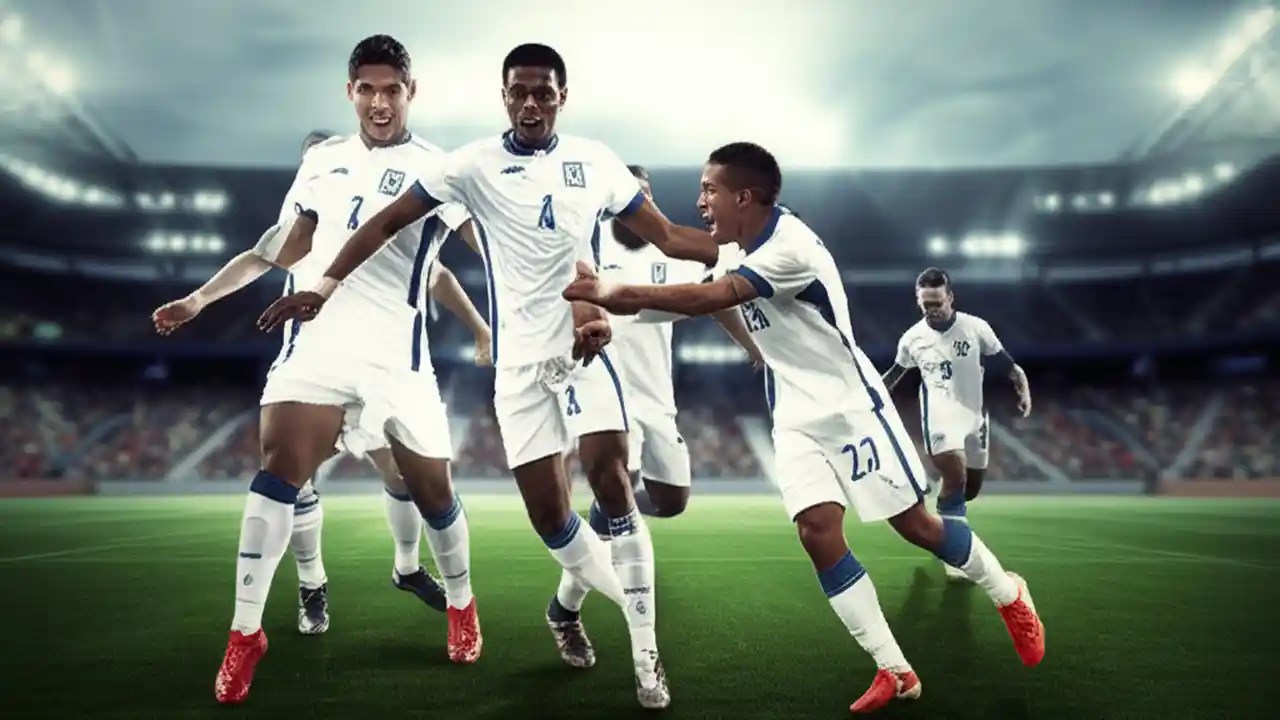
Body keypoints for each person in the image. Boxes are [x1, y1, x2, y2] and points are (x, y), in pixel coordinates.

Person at [257, 42, 723, 711]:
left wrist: (756, 242)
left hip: (585, 348)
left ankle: (646, 652)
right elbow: (388, 222)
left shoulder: (594, 161)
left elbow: (674, 238)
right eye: (519, 92)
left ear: (564, 95)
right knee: (552, 520)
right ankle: (575, 611)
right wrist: (325, 285)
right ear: (504, 96)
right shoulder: (470, 164)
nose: (531, 103)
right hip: (517, 370)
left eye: (545, 92)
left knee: (613, 481)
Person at [562, 141, 1046, 714]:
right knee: (817, 531)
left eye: (708, 191)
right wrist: (611, 313)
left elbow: (710, 296)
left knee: (916, 526)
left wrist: (613, 293)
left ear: (744, 196)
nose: (699, 203)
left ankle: (1008, 592)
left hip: (849, 407)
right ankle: (894, 669)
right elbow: (690, 296)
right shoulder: (736, 245)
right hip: (793, 413)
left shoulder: (790, 249)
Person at [200, 34, 488, 705]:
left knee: (435, 496)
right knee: (275, 475)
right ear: (350, 92)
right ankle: (245, 634)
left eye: (392, 89)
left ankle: (462, 605)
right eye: (368, 89)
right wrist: (204, 295)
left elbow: (480, 247)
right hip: (317, 348)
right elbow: (286, 243)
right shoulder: (322, 161)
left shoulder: (439, 167)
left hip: (398, 361)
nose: (380, 101)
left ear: (410, 92)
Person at [153, 130, 492, 631]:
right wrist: (199, 300)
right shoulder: (300, 221)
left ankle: (406, 566)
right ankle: (312, 586)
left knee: (405, 477)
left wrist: (484, 327)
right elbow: (259, 256)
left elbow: (437, 273)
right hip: (317, 363)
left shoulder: (381, 211)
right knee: (293, 479)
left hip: (385, 365)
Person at [594, 163, 763, 518]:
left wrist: (751, 346)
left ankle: (605, 517)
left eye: (641, 196)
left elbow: (714, 300)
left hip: (654, 391)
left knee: (671, 501)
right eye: (625, 198)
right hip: (607, 387)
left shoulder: (675, 247)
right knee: (625, 474)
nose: (634, 205)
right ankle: (616, 559)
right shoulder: (591, 244)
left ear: (651, 200)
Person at [881, 268, 1032, 580]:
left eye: (937, 302)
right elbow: (895, 374)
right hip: (939, 415)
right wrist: (871, 398)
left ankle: (943, 516)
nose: (932, 309)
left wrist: (1024, 391)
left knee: (970, 488)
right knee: (956, 474)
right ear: (918, 301)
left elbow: (1010, 366)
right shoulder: (913, 338)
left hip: (975, 417)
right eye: (926, 304)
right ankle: (954, 556)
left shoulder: (976, 328)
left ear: (950, 297)